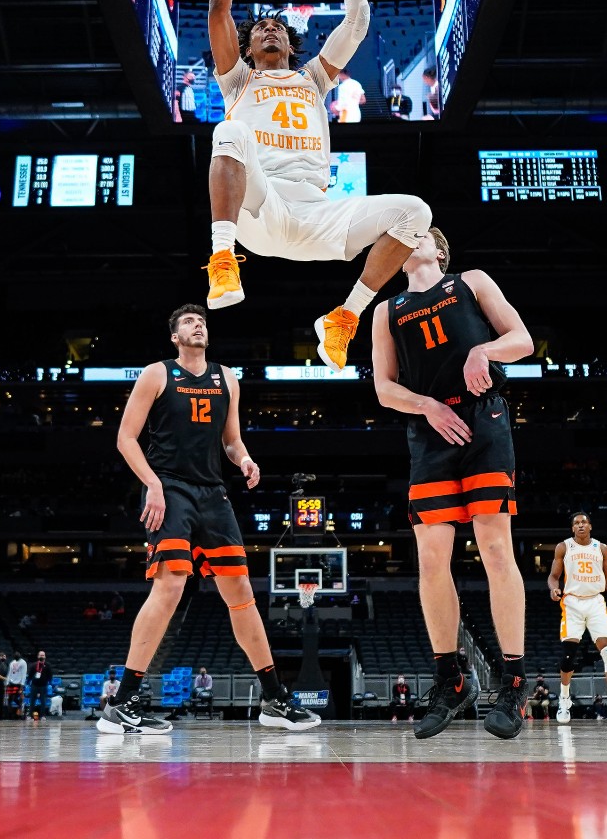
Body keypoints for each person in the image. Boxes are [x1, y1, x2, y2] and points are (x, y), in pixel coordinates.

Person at [202, 0, 432, 372]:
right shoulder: (238, 80)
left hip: (316, 215)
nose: (270, 31)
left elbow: (357, 23)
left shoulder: (315, 78)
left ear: (291, 43)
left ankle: (345, 317)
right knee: (229, 130)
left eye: (278, 28)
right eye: (261, 28)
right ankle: (222, 258)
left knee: (415, 213)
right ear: (246, 46)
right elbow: (218, 7)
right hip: (260, 209)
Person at [96, 306, 320, 737]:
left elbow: (231, 441)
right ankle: (120, 703)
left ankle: (274, 698)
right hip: (170, 488)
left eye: (201, 321)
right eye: (187, 322)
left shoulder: (227, 378)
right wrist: (153, 485)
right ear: (175, 337)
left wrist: (246, 460)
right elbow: (125, 438)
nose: (197, 324)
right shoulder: (157, 374)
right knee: (172, 584)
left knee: (241, 593)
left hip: (213, 491)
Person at [369, 229, 533, 739]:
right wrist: (427, 406)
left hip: (484, 422)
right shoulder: (385, 310)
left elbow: (522, 341)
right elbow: (383, 387)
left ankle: (513, 681)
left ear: (440, 249)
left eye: (418, 232)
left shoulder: (471, 282)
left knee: (494, 547)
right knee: (432, 560)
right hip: (431, 431)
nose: (407, 238)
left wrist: (484, 351)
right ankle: (451, 679)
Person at [548, 511, 607, 726]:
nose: (581, 525)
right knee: (568, 657)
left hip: (595, 601)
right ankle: (564, 701)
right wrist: (553, 589)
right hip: (572, 602)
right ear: (572, 528)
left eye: (584, 522)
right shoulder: (564, 547)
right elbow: (553, 576)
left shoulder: (601, 549)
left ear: (590, 526)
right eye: (576, 523)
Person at [26, 650, 54, 721]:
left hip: (43, 686)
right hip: (34, 685)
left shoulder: (47, 665)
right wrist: (28, 682)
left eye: (43, 655)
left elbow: (50, 675)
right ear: (38, 656)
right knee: (32, 701)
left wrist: (50, 683)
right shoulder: (33, 665)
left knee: (43, 701)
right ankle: (30, 715)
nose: (42, 656)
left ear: (45, 657)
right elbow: (30, 675)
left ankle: (42, 716)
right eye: (40, 655)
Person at [4, 652, 27, 720]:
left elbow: (24, 674)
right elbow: (9, 673)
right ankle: (9, 715)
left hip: (19, 684)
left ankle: (19, 714)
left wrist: (22, 685)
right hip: (11, 683)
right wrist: (7, 683)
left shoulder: (23, 662)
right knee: (10, 699)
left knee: (19, 700)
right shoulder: (12, 662)